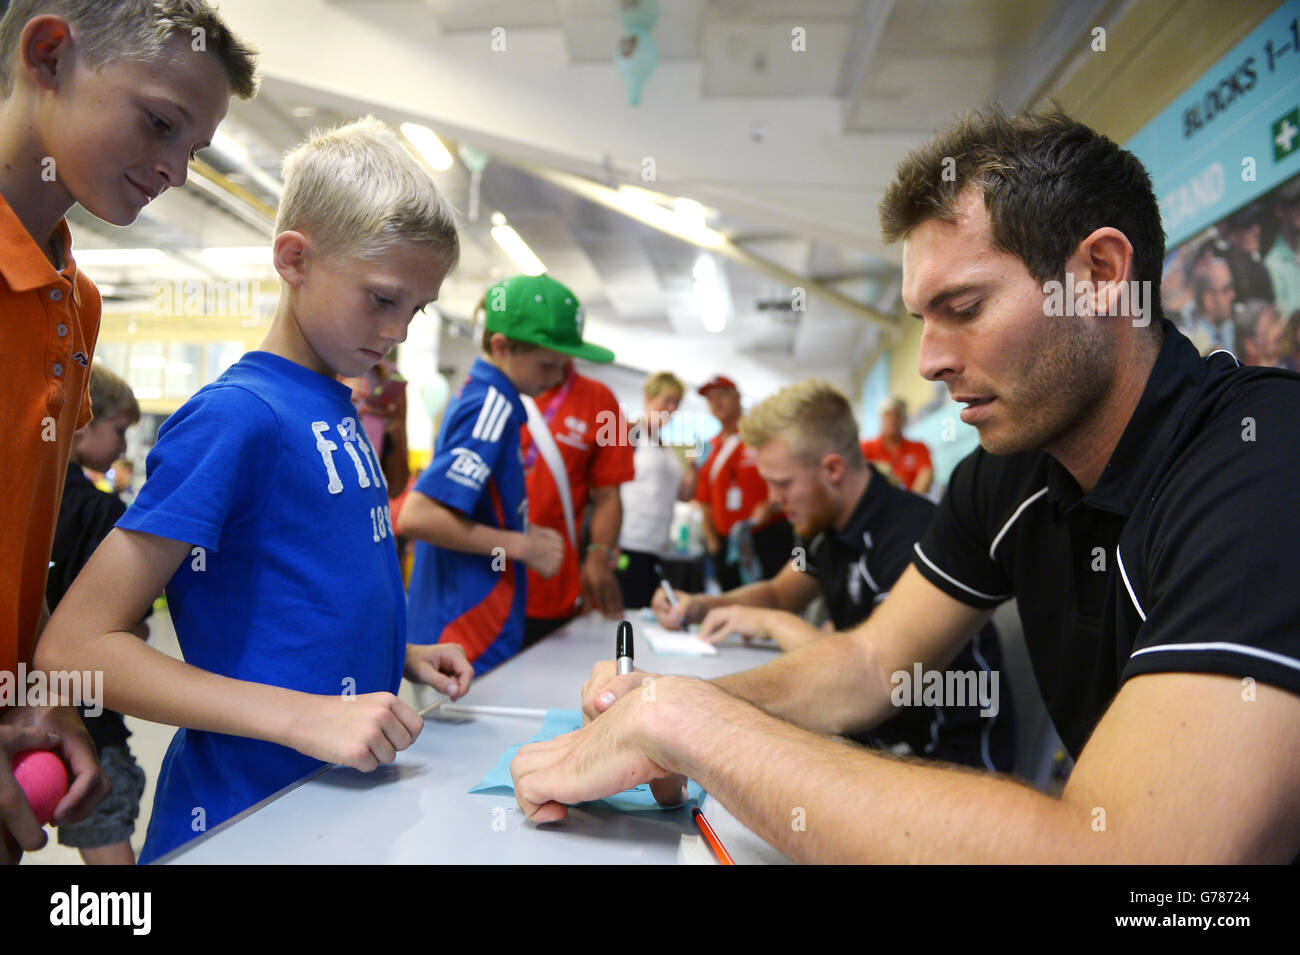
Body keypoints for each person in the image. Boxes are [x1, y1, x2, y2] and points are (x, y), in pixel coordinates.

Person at [510, 106, 1300, 863]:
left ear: (1099, 274)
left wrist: (692, 724)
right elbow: (868, 664)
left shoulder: (1264, 463)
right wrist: (659, 700)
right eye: (923, 318)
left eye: (963, 307)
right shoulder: (1007, 472)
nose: (929, 360)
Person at [38, 117, 475, 864]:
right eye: (381, 299)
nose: (400, 330)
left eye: (417, 309)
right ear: (294, 258)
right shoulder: (239, 417)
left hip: (335, 810)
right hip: (242, 818)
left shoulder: (333, 402)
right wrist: (307, 716)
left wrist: (395, 650)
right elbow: (78, 647)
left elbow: (292, 584)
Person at [0, 0, 256, 863]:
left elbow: (18, 534)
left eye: (193, 149)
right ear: (47, 55)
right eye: (159, 124)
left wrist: (42, 684)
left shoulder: (75, 302)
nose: (176, 170)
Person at [653, 379, 1013, 771]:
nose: (773, 499)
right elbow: (779, 593)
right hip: (874, 737)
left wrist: (770, 626)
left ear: (833, 469)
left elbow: (867, 677)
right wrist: (701, 605)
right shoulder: (825, 526)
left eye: (782, 483)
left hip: (946, 762)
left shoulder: (911, 534)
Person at [399, 274, 608, 672]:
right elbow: (418, 516)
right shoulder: (490, 406)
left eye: (565, 366)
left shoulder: (491, 400)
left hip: (467, 629)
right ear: (502, 346)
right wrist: (522, 546)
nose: (558, 377)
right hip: (466, 635)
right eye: (548, 364)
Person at [45, 364, 149, 864]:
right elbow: (122, 624)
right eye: (121, 431)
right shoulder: (101, 510)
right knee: (104, 834)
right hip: (90, 721)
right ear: (82, 422)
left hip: (12, 706)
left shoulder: (23, 502)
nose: (124, 449)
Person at [520, 349, 631, 648]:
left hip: (555, 585)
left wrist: (599, 553)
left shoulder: (601, 400)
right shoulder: (494, 393)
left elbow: (610, 495)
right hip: (487, 583)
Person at [693, 375, 791, 589]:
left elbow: (790, 480)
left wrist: (773, 505)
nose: (716, 403)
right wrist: (713, 544)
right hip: (726, 546)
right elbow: (704, 500)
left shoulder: (763, 437)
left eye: (721, 395)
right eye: (710, 399)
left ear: (737, 397)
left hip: (767, 539)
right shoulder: (708, 448)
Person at [617, 371, 696, 609]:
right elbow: (607, 487)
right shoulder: (629, 433)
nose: (671, 409)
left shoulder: (667, 448)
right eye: (666, 401)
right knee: (624, 614)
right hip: (627, 542)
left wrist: (692, 464)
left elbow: (684, 495)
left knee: (645, 613)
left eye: (676, 403)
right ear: (648, 397)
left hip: (656, 546)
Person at [860, 397, 934, 494]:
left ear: (904, 419)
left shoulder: (919, 448)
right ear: (880, 419)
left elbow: (926, 474)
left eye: (897, 415)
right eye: (888, 415)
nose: (893, 420)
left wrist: (911, 502)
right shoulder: (864, 448)